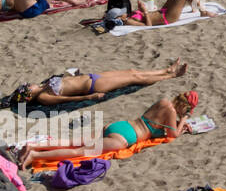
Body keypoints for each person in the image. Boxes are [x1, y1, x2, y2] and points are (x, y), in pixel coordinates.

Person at [16, 91, 197, 170]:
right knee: (78, 151)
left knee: (74, 141)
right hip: (125, 137)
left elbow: (159, 121)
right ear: (184, 106)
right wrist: (184, 121)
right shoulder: (172, 112)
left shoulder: (164, 102)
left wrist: (179, 120)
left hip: (121, 125)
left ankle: (34, 145)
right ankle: (34, 156)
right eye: (187, 110)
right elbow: (172, 134)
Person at [6, 60, 187, 109]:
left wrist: (72, 72)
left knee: (132, 72)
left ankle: (166, 70)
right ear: (29, 96)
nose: (28, 84)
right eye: (27, 88)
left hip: (92, 77)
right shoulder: (44, 98)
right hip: (94, 86)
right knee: (134, 78)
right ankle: (171, 76)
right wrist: (91, 97)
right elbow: (65, 99)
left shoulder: (44, 84)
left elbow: (67, 79)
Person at [102, 0, 215, 29]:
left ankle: (195, 6)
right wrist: (145, 12)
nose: (125, 11)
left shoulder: (126, 17)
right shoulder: (129, 21)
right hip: (167, 17)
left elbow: (108, 15)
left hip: (162, 11)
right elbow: (148, 26)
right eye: (123, 12)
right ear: (120, 17)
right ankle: (202, 12)